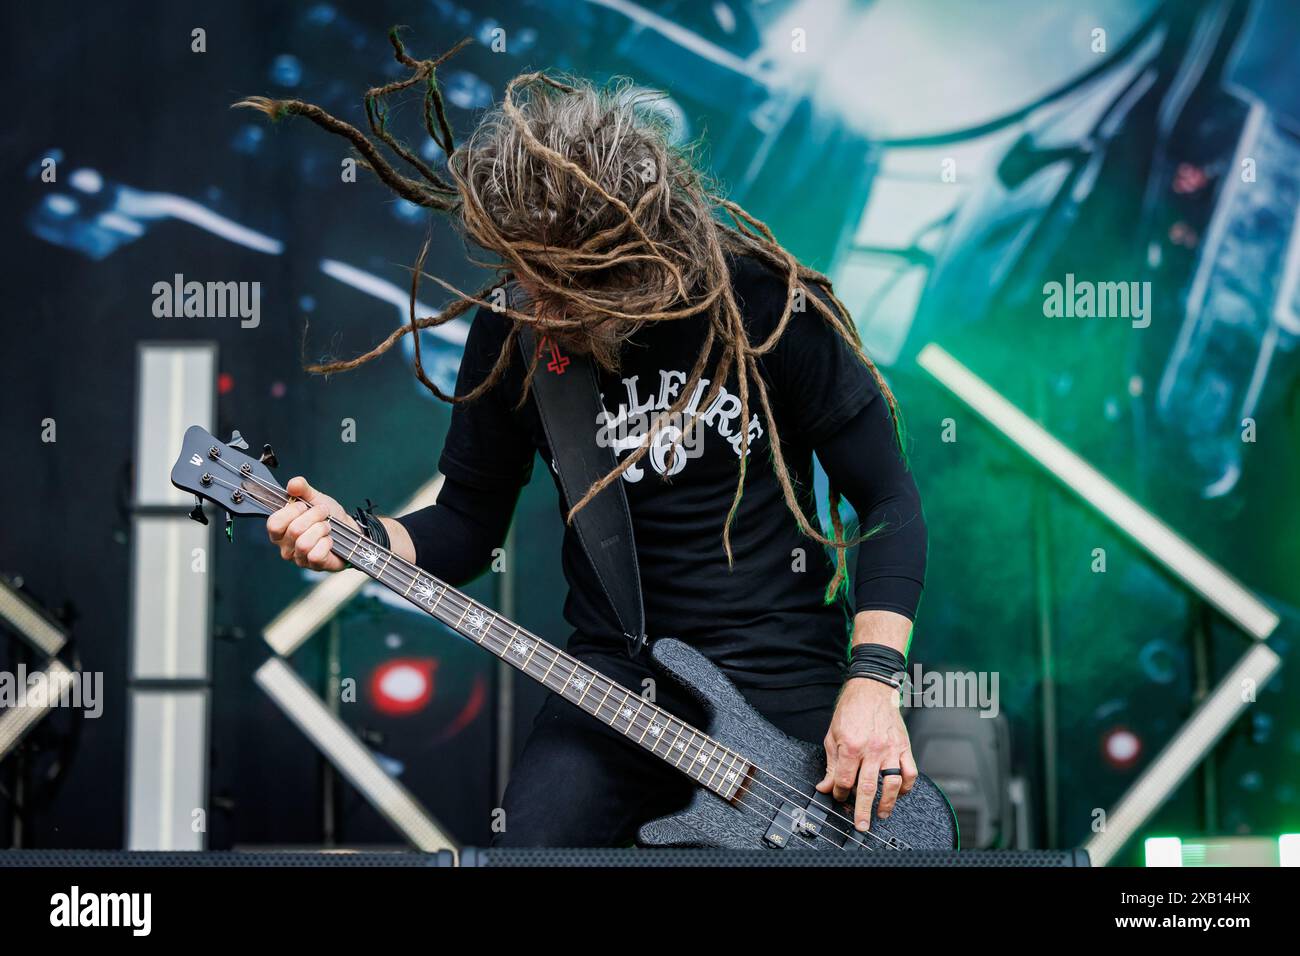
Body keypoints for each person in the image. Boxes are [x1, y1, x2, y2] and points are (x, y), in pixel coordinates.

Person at [249, 35, 927, 847]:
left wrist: (874, 683)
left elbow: (887, 498)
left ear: (629, 253)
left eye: (559, 281)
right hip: (617, 683)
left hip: (785, 676)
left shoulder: (764, 305)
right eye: (525, 274)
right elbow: (466, 523)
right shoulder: (518, 330)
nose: (538, 299)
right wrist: (355, 538)